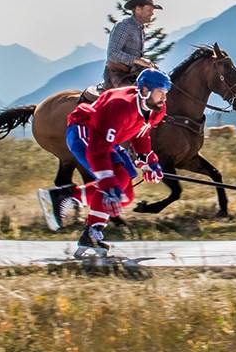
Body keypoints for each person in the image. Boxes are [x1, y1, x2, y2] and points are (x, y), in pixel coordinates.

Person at [37, 68, 171, 258]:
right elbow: (98, 149)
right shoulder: (120, 105)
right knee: (116, 180)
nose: (164, 98)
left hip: (107, 139)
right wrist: (107, 183)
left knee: (126, 196)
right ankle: (91, 233)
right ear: (144, 91)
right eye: (160, 92)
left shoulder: (157, 110)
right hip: (84, 131)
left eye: (165, 93)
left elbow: (140, 134)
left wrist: (148, 160)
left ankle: (65, 195)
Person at [104, 0, 162, 89]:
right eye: (149, 10)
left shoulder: (141, 30)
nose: (152, 13)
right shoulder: (124, 26)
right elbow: (112, 53)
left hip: (132, 74)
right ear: (138, 9)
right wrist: (139, 60)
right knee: (131, 97)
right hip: (118, 74)